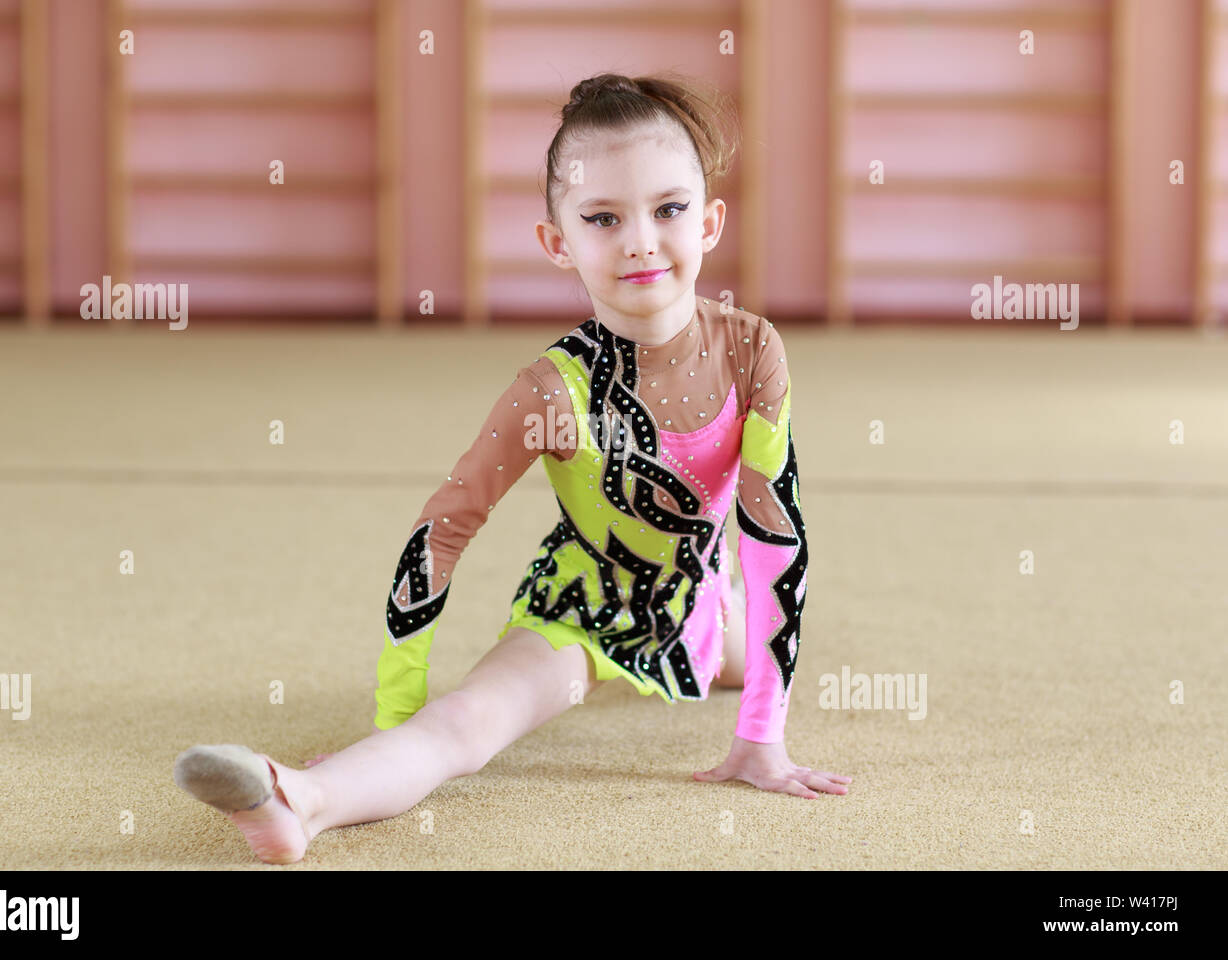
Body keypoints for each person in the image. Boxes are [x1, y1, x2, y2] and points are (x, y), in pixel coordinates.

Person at [174, 71, 851, 865]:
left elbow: (775, 537)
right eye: (603, 218)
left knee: (732, 652)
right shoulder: (551, 389)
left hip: (713, 603)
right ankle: (298, 800)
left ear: (709, 222)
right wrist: (397, 722)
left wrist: (761, 739)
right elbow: (442, 530)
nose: (640, 239)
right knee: (468, 724)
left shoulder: (750, 349)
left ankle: (709, 649)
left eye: (668, 209)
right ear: (558, 242)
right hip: (583, 607)